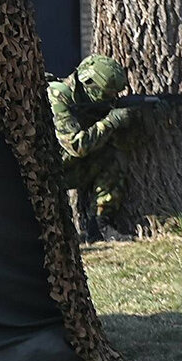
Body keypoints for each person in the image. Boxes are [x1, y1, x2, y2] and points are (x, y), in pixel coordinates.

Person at [49, 54, 140, 241]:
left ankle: (99, 226)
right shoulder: (58, 96)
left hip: (63, 169)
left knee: (112, 157)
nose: (110, 99)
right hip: (40, 175)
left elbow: (127, 142)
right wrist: (111, 121)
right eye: (106, 94)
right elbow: (76, 146)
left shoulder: (89, 102)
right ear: (87, 82)